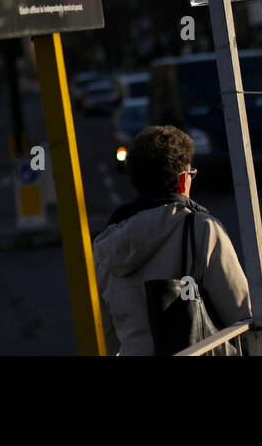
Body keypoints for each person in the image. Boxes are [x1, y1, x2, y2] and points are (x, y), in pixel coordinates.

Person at [92, 125, 251, 355]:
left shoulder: (105, 246)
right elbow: (240, 313)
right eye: (191, 175)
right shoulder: (200, 229)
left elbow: (106, 335)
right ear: (181, 180)